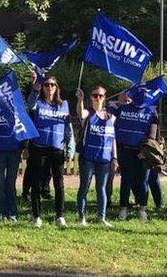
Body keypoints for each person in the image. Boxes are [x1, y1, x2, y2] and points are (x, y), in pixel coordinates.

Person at [26, 74, 74, 227]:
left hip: (57, 150)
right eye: (46, 85)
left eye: (52, 85)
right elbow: (29, 105)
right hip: (39, 149)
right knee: (37, 184)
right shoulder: (38, 103)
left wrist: (70, 149)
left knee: (59, 185)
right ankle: (37, 217)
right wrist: (35, 89)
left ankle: (60, 216)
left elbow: (68, 129)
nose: (49, 88)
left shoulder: (63, 105)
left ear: (56, 87)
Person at [74, 86, 118, 226]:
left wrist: (115, 158)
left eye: (100, 95)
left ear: (105, 97)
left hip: (104, 160)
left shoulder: (111, 117)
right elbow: (80, 113)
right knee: (84, 188)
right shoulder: (88, 113)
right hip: (88, 158)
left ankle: (102, 218)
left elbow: (113, 139)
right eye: (94, 95)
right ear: (91, 97)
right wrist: (80, 100)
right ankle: (82, 218)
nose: (97, 98)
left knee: (102, 189)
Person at [112, 93, 159, 222]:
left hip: (143, 153)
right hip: (125, 150)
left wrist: (146, 151)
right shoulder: (122, 108)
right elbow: (110, 118)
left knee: (143, 182)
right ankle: (123, 210)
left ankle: (142, 210)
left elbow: (153, 134)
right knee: (126, 181)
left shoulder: (152, 111)